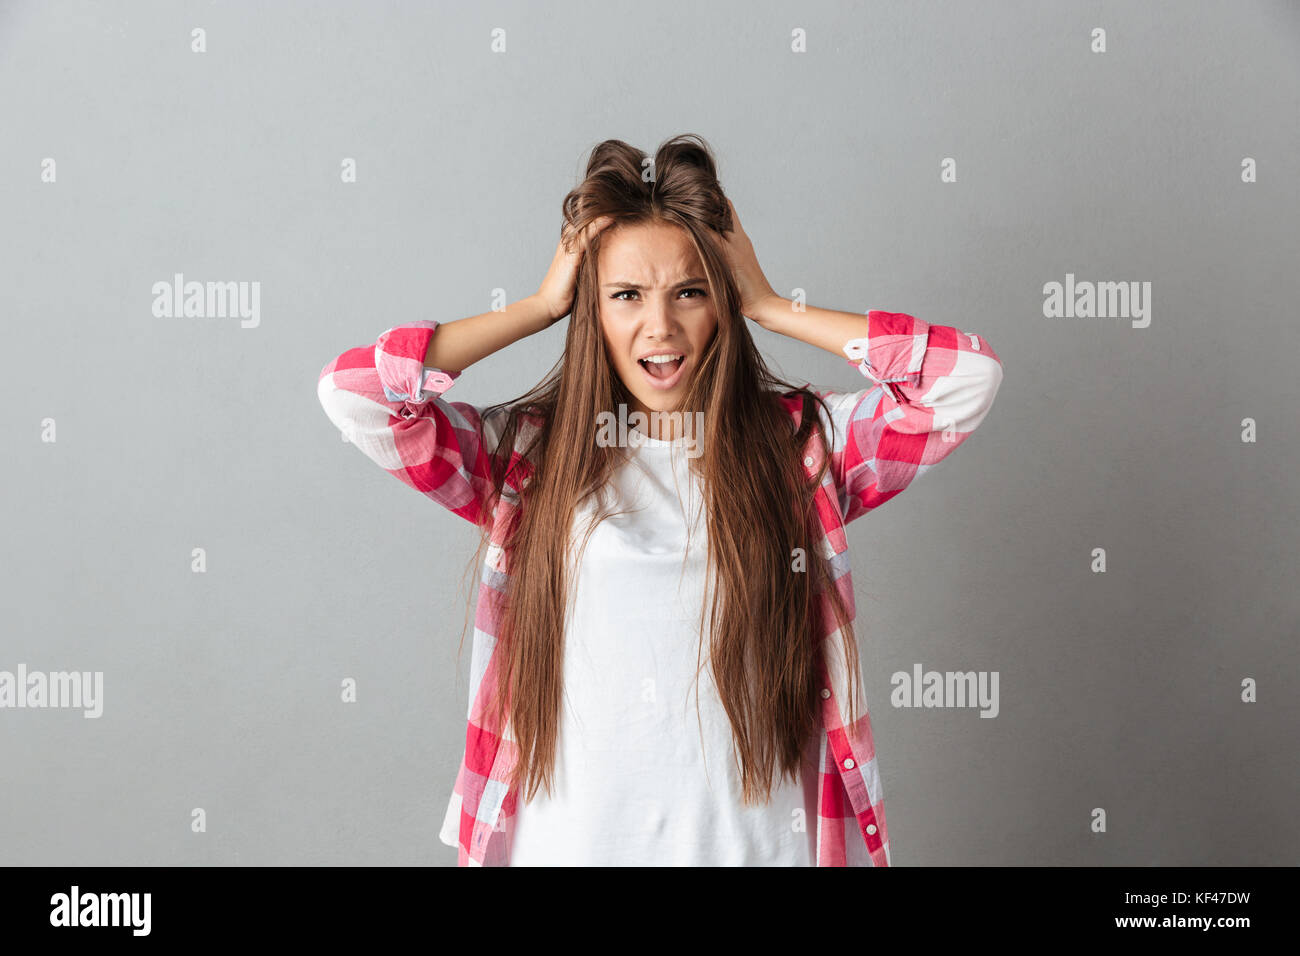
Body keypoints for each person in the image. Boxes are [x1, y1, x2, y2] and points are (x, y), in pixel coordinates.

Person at [316, 134, 1004, 866]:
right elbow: (355, 395)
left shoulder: (805, 450)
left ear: (722, 301)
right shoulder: (524, 461)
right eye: (625, 295)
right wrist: (541, 304)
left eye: (690, 291)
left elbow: (963, 382)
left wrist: (772, 305)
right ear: (593, 310)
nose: (661, 326)